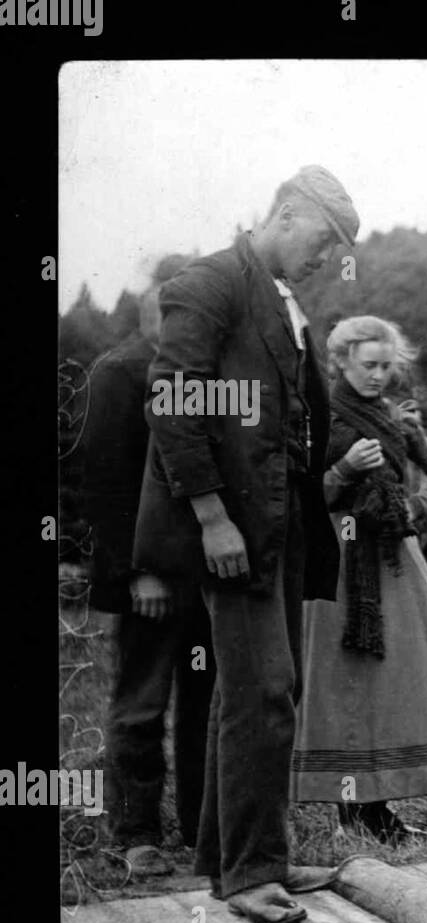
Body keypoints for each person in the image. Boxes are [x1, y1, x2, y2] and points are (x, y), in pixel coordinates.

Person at [134, 165, 357, 923]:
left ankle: (230, 857)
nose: (327, 258)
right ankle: (253, 872)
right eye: (323, 239)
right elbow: (173, 400)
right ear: (286, 213)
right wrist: (210, 516)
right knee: (265, 693)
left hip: (280, 524)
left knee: (250, 692)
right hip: (233, 526)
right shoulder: (210, 283)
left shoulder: (282, 301)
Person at [291, 316, 427, 842]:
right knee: (344, 680)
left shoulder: (394, 418)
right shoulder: (316, 415)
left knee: (394, 677)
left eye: (386, 366)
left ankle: (380, 809)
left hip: (393, 559)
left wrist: (416, 509)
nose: (378, 376)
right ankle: (350, 811)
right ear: (341, 363)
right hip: (336, 555)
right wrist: (346, 469)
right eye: (368, 365)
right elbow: (302, 496)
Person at [81, 259, 213, 875]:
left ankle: (198, 826)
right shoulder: (120, 373)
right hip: (149, 581)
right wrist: (140, 571)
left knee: (204, 701)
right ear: (150, 312)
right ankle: (137, 834)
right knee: (141, 703)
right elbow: (104, 489)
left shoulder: (203, 377)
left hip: (207, 577)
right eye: (175, 312)